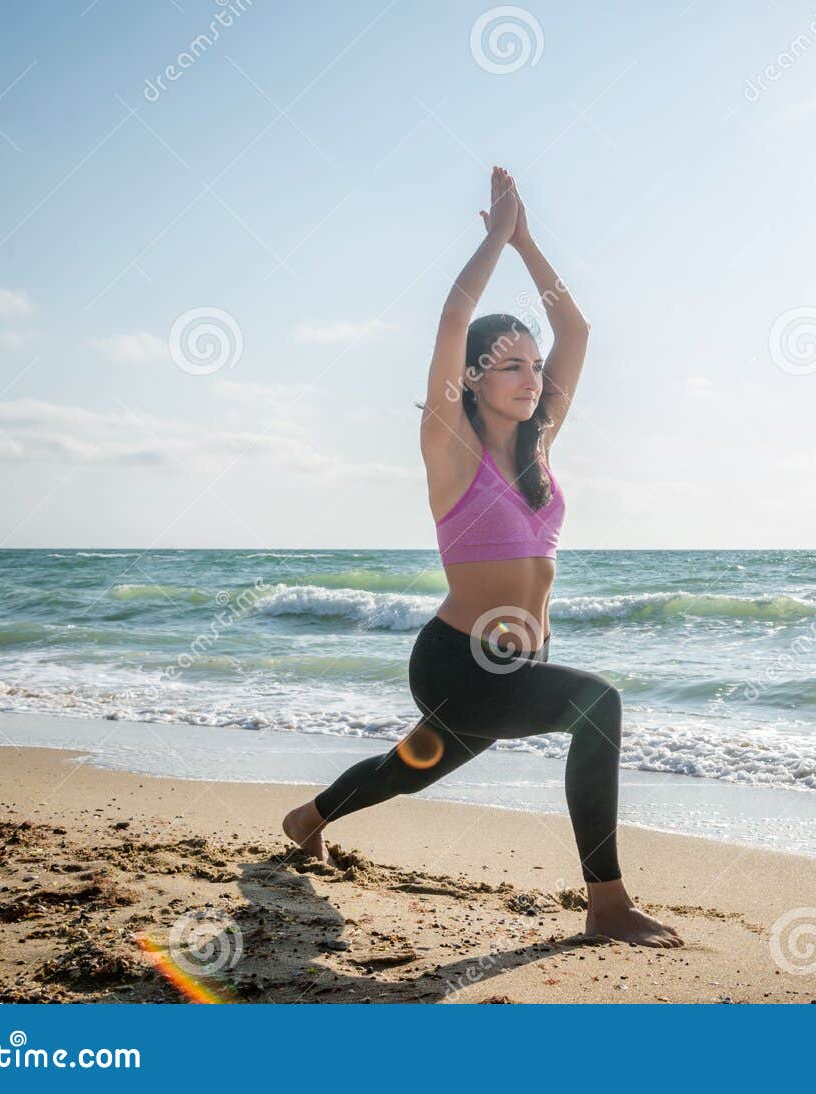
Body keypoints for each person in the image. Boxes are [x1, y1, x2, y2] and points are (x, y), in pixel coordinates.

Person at [284, 167, 682, 948]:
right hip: (458, 662)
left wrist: (531, 241)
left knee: (410, 766)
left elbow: (579, 333)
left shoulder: (539, 443)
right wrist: (495, 236)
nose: (533, 377)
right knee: (597, 706)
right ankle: (607, 904)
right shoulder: (451, 447)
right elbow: (454, 312)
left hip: (520, 665)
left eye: (534, 366)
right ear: (472, 377)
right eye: (510, 364)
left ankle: (308, 817)